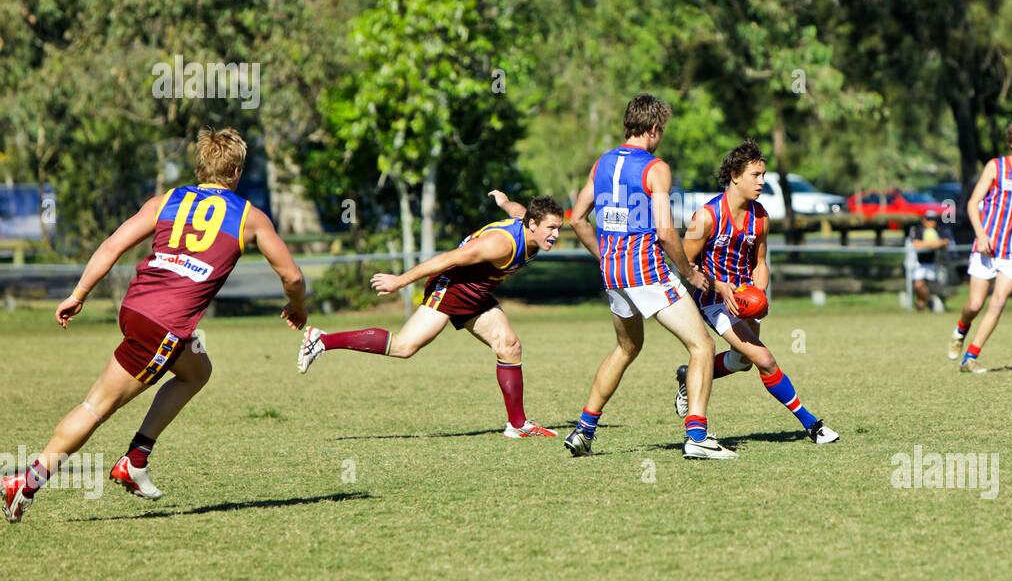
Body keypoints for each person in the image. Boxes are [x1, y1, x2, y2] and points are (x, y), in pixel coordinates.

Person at [3, 129, 306, 524]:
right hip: (163, 327)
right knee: (96, 407)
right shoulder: (250, 217)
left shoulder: (167, 200)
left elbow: (113, 244)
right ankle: (25, 482)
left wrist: (79, 293)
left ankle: (136, 458)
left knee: (197, 370)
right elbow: (294, 278)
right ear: (235, 172)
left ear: (200, 167)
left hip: (136, 309)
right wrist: (297, 306)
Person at [297, 192, 564, 439]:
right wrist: (400, 281)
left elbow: (517, 209)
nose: (555, 234)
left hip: (477, 293)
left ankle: (517, 425)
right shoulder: (500, 245)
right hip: (451, 288)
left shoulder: (527, 224)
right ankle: (321, 341)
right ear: (532, 225)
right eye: (551, 228)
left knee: (510, 347)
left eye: (558, 228)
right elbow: (447, 259)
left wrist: (503, 200)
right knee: (404, 347)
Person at [565, 94, 734, 459]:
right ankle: (697, 438)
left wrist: (604, 255)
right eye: (663, 131)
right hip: (647, 271)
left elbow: (577, 219)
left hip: (614, 275)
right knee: (702, 346)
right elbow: (665, 231)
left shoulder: (602, 163)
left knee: (627, 347)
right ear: (654, 129)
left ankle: (583, 431)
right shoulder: (655, 168)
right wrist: (690, 272)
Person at [675, 140, 838, 443]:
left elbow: (760, 264)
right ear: (735, 175)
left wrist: (759, 291)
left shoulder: (760, 216)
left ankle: (690, 376)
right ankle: (812, 425)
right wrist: (720, 287)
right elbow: (685, 266)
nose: (762, 181)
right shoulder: (705, 217)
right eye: (755, 175)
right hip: (712, 301)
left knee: (742, 361)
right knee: (765, 360)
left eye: (763, 174)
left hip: (743, 300)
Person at [947, 120, 1012, 373]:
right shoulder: (996, 167)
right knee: (974, 304)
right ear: (1011, 143)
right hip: (987, 247)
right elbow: (972, 203)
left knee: (999, 302)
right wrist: (980, 235)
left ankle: (970, 357)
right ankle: (961, 329)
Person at [909, 211, 953, 312]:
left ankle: (921, 304)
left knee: (925, 285)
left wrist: (932, 244)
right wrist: (933, 244)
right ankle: (929, 302)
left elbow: (946, 241)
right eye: (929, 220)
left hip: (934, 262)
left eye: (933, 220)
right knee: (918, 284)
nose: (931, 222)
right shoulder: (918, 230)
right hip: (918, 262)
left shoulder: (939, 229)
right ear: (924, 220)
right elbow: (916, 244)